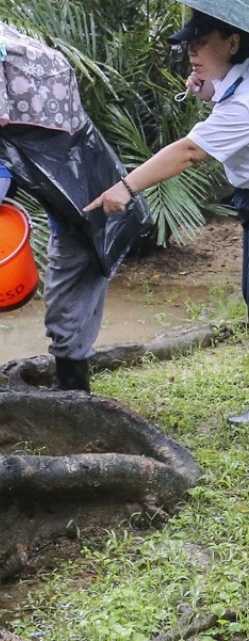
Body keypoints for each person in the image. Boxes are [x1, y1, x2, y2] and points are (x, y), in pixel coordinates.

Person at [85, 10, 249, 425]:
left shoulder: (248, 104)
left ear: (232, 42)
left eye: (201, 42)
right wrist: (206, 90)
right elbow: (225, 101)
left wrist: (124, 188)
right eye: (189, 44)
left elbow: (189, 152)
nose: (191, 51)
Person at [0, 22, 151, 393]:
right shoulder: (46, 116)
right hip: (86, 218)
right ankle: (72, 383)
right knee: (75, 298)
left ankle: (71, 392)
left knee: (68, 303)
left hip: (94, 219)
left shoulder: (33, 132)